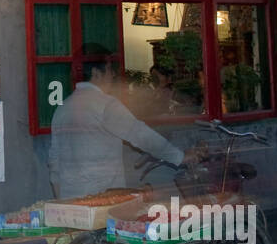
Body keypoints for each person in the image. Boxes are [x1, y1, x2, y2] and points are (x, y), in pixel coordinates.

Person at [49, 50, 188, 199]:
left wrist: (62, 200)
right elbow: (140, 134)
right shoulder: (106, 105)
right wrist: (180, 157)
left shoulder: (62, 108)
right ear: (96, 72)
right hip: (102, 200)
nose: (113, 75)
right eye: (109, 69)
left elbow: (54, 163)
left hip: (71, 200)